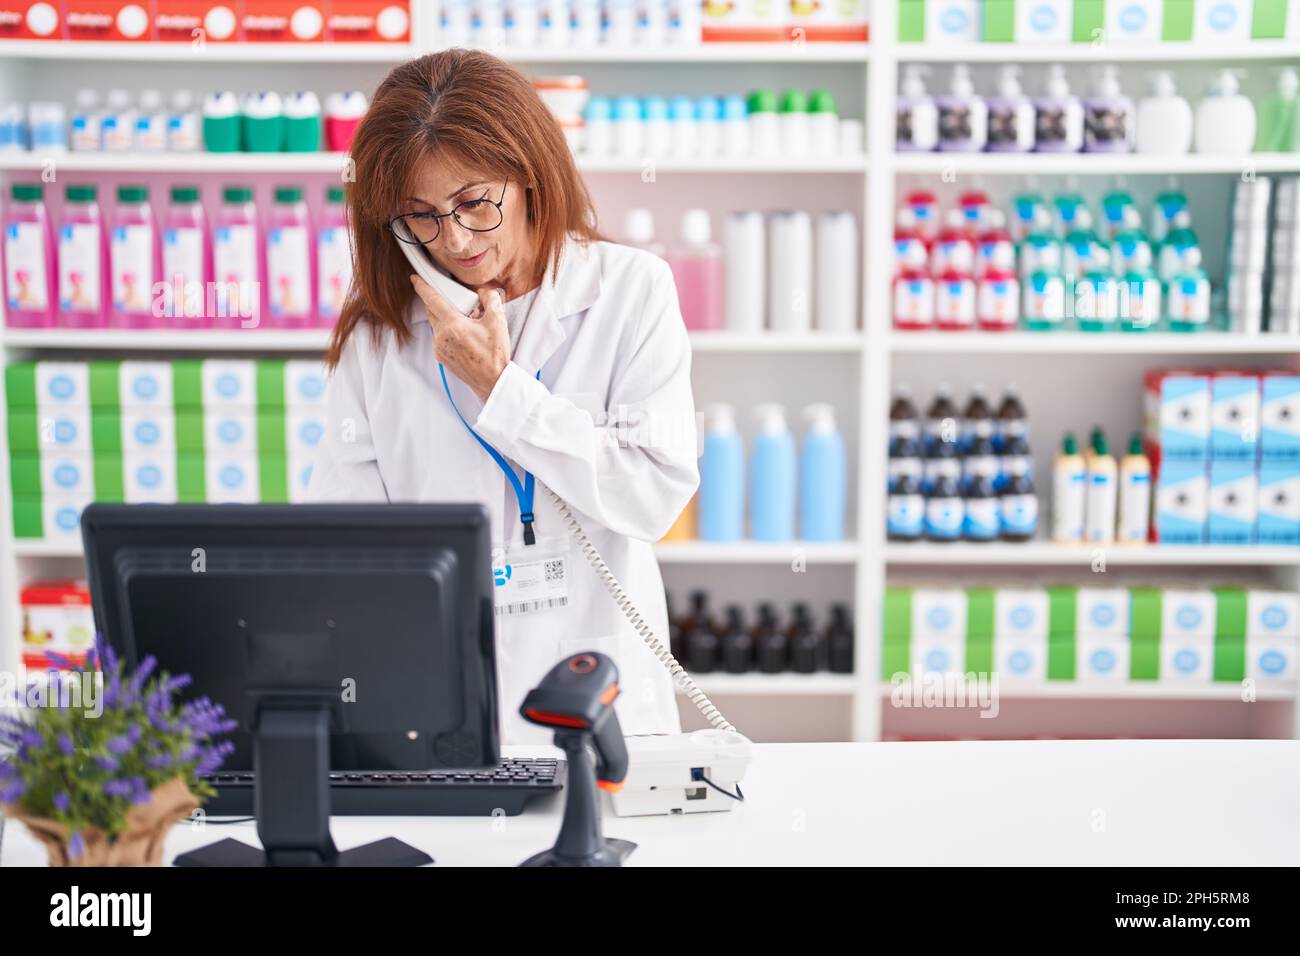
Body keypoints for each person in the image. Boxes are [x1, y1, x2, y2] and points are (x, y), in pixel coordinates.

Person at [306, 49, 700, 744]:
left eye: (473, 203)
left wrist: (501, 389)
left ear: (528, 176)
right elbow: (346, 551)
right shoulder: (380, 334)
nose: (453, 238)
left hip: (608, 714)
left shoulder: (632, 292)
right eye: (419, 215)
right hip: (440, 716)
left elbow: (654, 497)